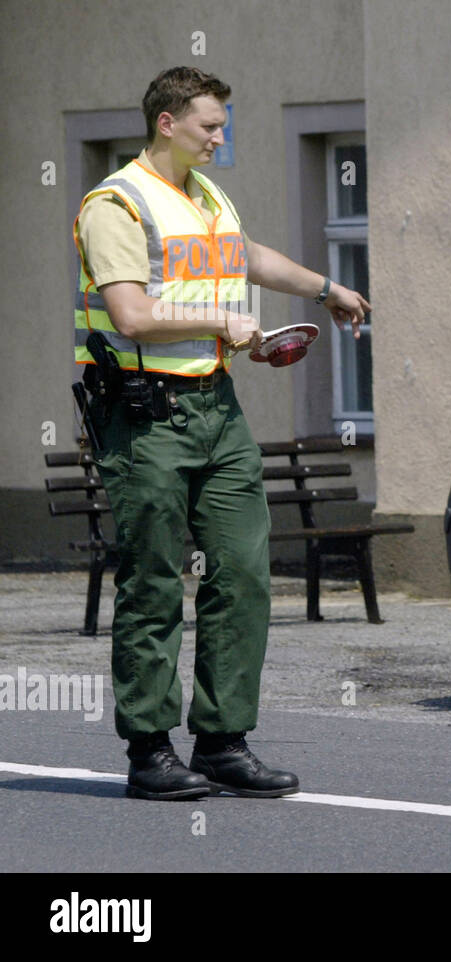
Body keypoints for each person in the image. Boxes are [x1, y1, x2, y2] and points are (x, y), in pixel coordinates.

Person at [73, 66, 371, 800]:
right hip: (143, 415)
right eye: (209, 124)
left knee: (241, 572)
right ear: (167, 123)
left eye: (222, 123)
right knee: (151, 581)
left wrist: (324, 289)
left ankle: (222, 740)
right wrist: (221, 322)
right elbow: (132, 316)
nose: (220, 135)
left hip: (216, 407)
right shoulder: (115, 203)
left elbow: (243, 259)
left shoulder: (207, 197)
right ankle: (149, 751)